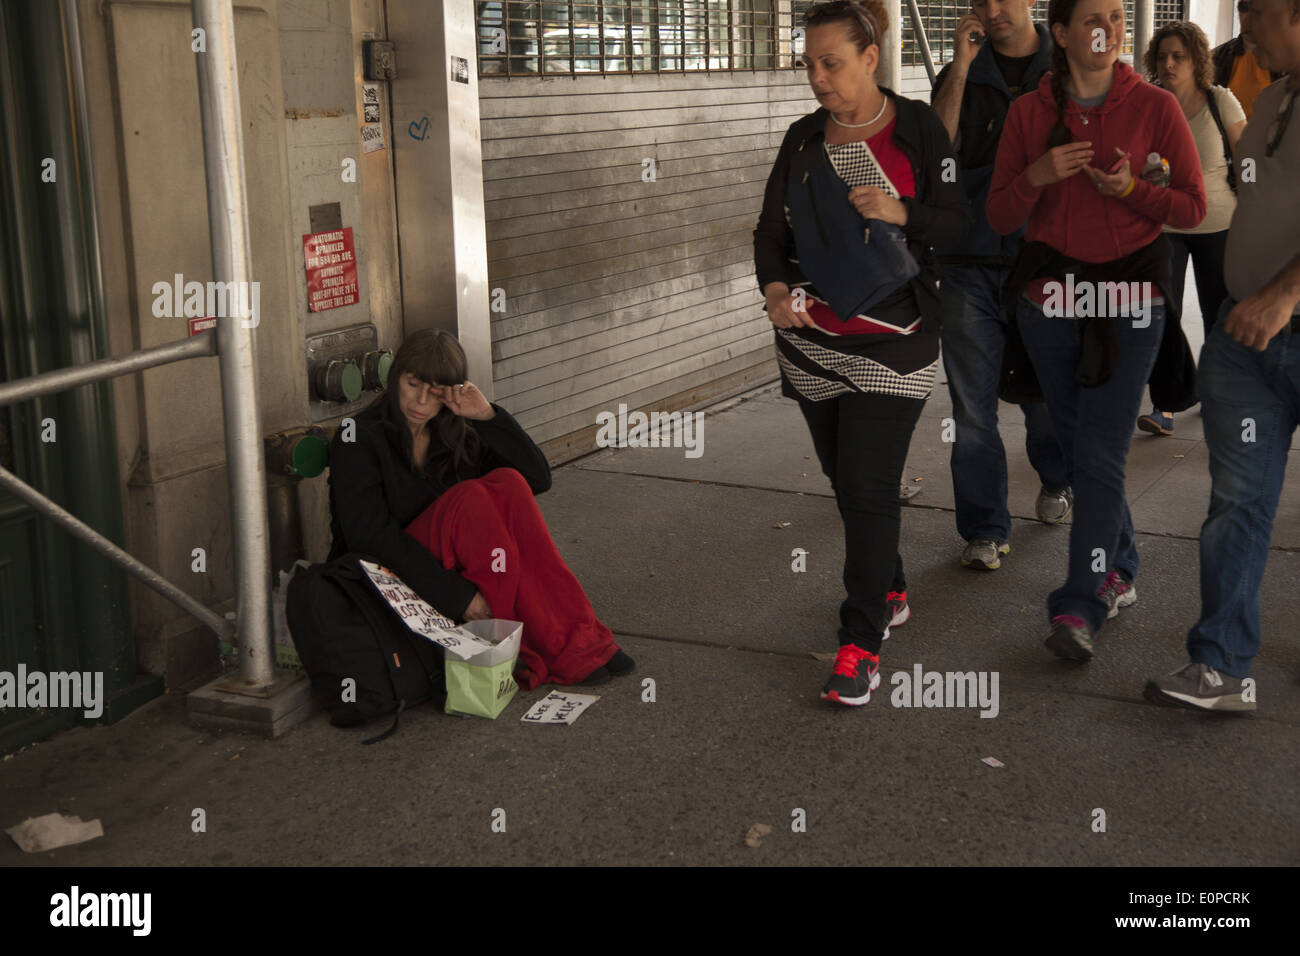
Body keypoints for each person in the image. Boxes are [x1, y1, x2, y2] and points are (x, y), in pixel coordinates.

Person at [753, 0, 970, 705]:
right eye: (809, 64)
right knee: (846, 481)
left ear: (870, 58)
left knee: (869, 485)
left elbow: (961, 223)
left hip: (897, 342)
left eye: (832, 63)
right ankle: (890, 583)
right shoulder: (802, 139)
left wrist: (902, 211)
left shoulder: (918, 128)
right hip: (811, 343)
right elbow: (769, 231)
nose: (818, 77)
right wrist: (775, 288)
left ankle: (860, 642)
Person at [987, 0, 1206, 660]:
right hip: (1050, 296)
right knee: (1080, 445)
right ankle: (1122, 565)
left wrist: (1133, 191)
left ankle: (1079, 605)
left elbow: (1194, 207)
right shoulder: (1029, 113)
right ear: (1060, 32)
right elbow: (999, 216)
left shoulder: (1155, 106)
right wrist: (1036, 176)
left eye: (1116, 15)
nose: (1108, 28)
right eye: (1091, 18)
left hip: (1131, 297)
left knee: (1101, 451)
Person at [326, 328, 634, 689]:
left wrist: (487, 416)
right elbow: (371, 537)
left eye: (434, 391)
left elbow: (537, 479)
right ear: (396, 378)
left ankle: (583, 636)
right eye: (412, 384)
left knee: (509, 483)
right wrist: (459, 597)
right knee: (470, 498)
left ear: (450, 392)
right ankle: (543, 646)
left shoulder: (451, 431)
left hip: (447, 563)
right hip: (385, 574)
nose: (421, 401)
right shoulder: (359, 436)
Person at [1146, 0, 1300, 711]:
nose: (1245, 24)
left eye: (1256, 11)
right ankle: (1220, 667)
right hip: (1246, 344)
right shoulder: (1269, 100)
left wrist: (1284, 292)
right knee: (1236, 502)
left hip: (1280, 320)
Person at [931, 0, 1073, 572]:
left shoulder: (1065, 67)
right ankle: (985, 528)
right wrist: (961, 68)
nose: (991, 10)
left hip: (1043, 260)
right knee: (972, 408)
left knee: (1045, 397)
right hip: (968, 260)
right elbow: (936, 152)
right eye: (980, 1)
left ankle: (1057, 477)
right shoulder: (961, 72)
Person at [1136, 22, 1246, 437]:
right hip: (1163, 225)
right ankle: (1165, 404)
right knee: (1163, 315)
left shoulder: (1220, 100)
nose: (1169, 63)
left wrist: (1256, 211)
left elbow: (1246, 160)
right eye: (1163, 56)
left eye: (1178, 56)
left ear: (1196, 60)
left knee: (1219, 314)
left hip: (1218, 223)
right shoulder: (1147, 103)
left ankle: (1216, 393)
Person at [1213, 24, 1282, 119]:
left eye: (1256, 15)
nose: (1248, 19)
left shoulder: (1284, 58)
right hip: (1228, 127)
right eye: (1243, 14)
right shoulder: (1219, 56)